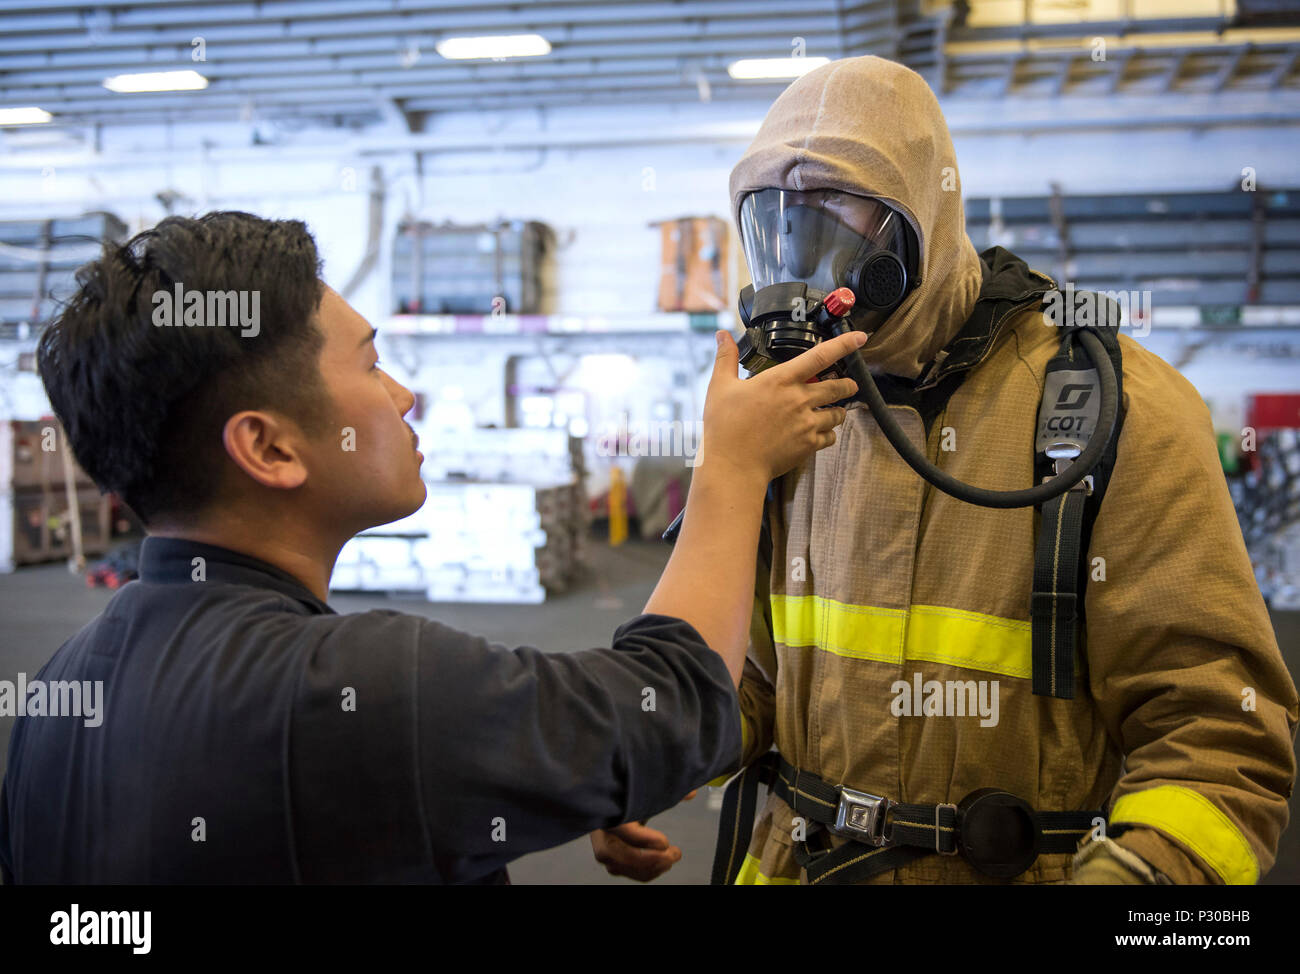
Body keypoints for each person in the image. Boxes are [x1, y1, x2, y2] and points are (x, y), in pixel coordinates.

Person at [592, 54, 1298, 885]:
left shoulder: (1115, 408)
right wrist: (646, 761)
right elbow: (751, 677)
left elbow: (1218, 736)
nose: (798, 245)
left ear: (918, 214)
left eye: (831, 204)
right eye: (775, 215)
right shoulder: (789, 419)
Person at [0, 211, 865, 884]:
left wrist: (570, 775)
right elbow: (672, 699)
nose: (404, 394)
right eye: (373, 364)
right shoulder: (354, 688)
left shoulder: (65, 692)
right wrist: (733, 468)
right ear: (268, 448)